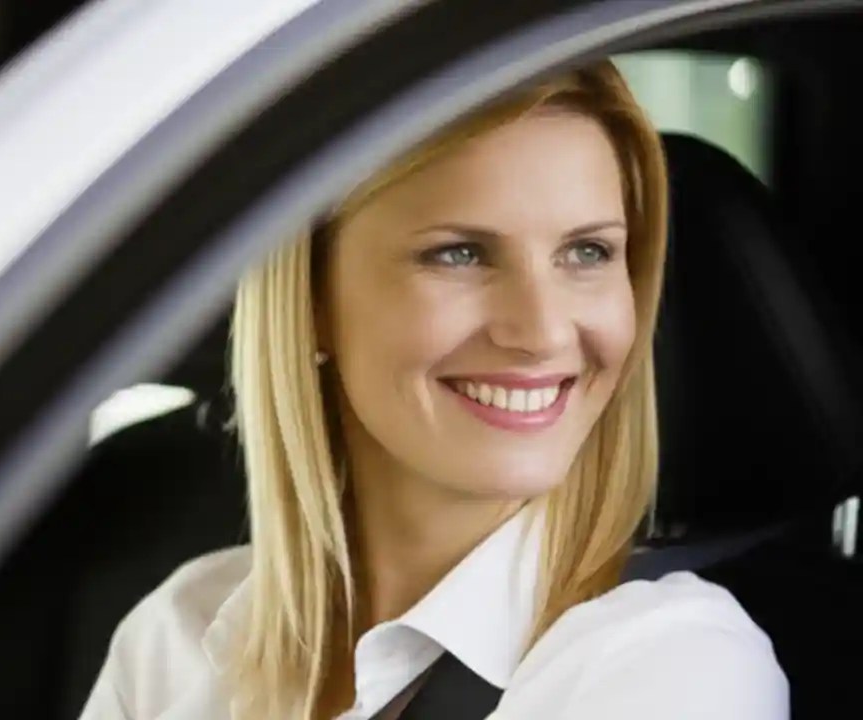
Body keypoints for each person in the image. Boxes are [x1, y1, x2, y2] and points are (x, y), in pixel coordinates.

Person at [78, 60, 787, 720]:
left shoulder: (675, 665)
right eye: (460, 253)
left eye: (587, 252)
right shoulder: (178, 635)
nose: (542, 332)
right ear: (311, 301)